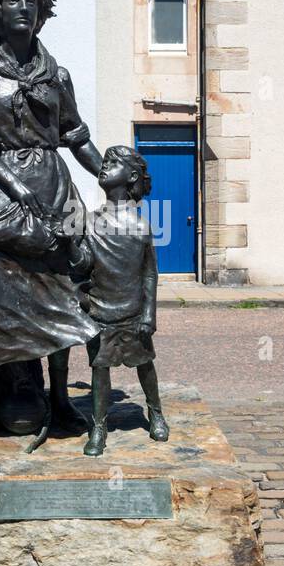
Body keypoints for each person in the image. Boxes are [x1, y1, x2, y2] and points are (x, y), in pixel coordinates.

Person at [0, 0, 101, 455]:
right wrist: (16, 187)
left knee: (67, 300)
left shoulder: (57, 74)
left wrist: (114, 178)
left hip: (55, 194)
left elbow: (74, 135)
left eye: (32, 0)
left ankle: (59, 401)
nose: (23, 7)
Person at [70, 145, 168, 457]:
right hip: (100, 310)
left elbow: (150, 274)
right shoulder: (88, 221)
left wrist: (149, 314)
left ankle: (156, 413)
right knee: (100, 369)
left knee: (144, 364)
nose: (104, 166)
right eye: (105, 161)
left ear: (132, 176)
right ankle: (98, 426)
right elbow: (82, 264)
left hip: (133, 311)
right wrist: (69, 245)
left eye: (114, 163)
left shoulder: (141, 225)